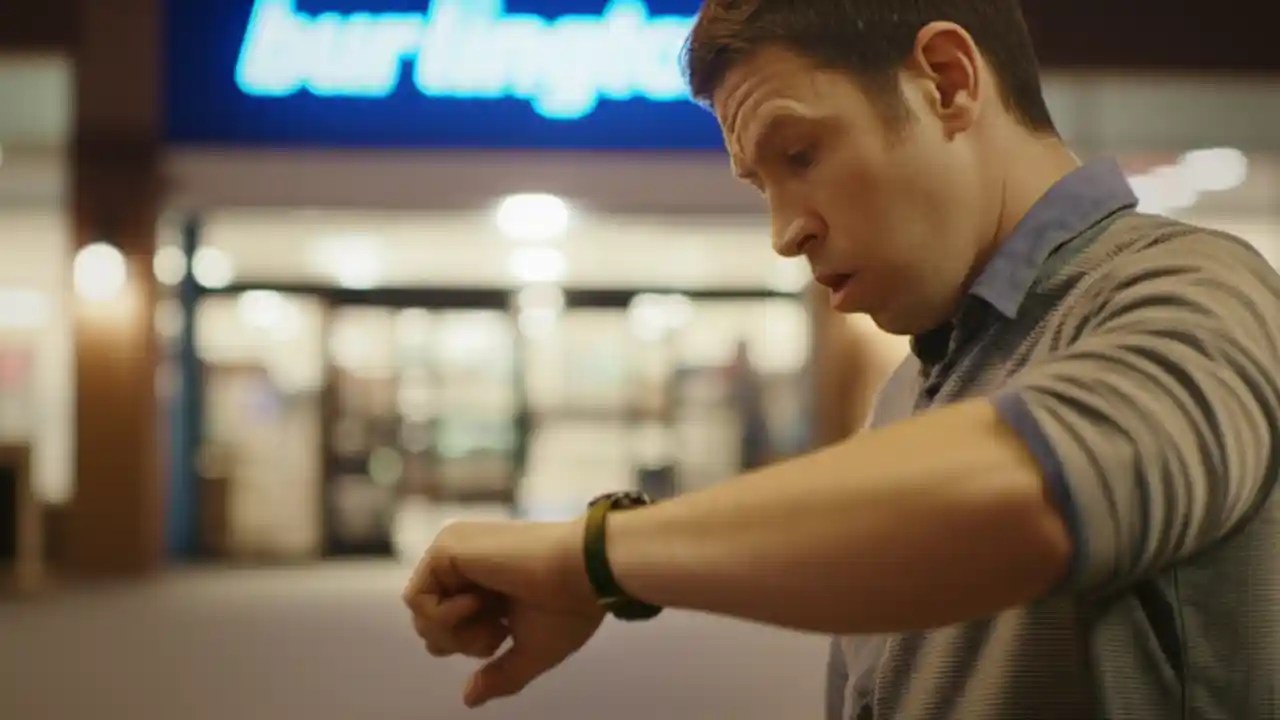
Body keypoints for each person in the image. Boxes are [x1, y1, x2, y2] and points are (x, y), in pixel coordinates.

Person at [403, 1, 1280, 717]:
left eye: (802, 154)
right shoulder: (912, 391)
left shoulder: (1196, 290)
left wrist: (598, 557)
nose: (787, 232)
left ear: (946, 81)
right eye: (763, 186)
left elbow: (1029, 495)